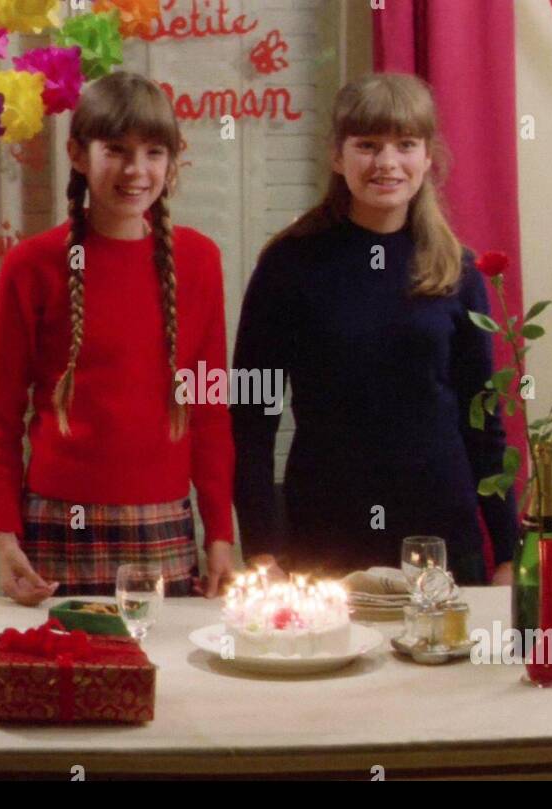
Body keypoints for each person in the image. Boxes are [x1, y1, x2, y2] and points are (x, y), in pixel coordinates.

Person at [231, 73, 516, 585]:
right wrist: (261, 549)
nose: (387, 163)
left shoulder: (459, 271)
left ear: (428, 157)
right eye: (367, 145)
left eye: (405, 145)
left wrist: (509, 553)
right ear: (338, 157)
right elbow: (252, 421)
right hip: (323, 537)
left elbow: (484, 425)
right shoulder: (289, 265)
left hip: (443, 537)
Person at [0, 72, 235, 605]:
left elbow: (209, 412)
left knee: (169, 684)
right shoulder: (33, 265)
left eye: (153, 152)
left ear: (171, 160)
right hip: (56, 526)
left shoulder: (200, 261)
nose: (136, 170)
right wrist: (4, 537)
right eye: (115, 150)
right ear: (77, 153)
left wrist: (221, 535)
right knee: (61, 680)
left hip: (166, 525)